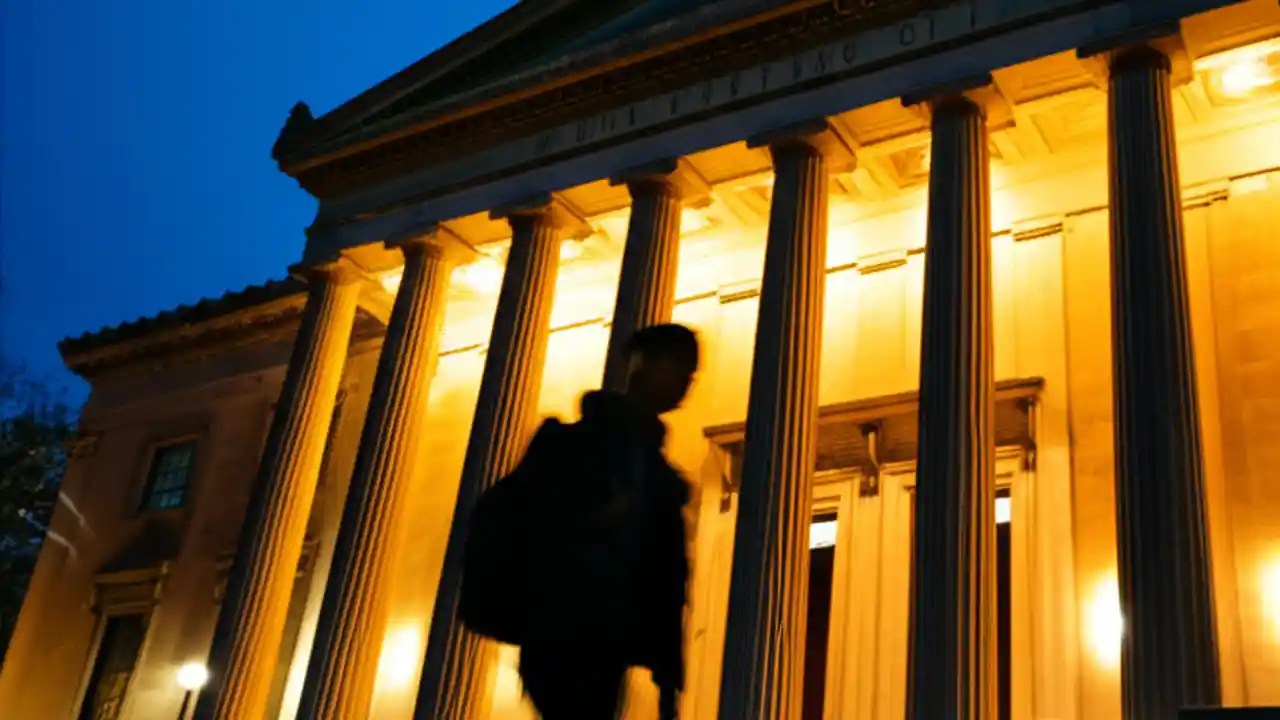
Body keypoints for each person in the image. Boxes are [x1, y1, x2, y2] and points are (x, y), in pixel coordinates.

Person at [517, 323, 699, 720]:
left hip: (598, 640)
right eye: (677, 365)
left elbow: (665, 579)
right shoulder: (602, 451)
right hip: (574, 633)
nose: (686, 380)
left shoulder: (651, 466)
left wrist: (668, 672)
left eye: (691, 370)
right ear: (640, 364)